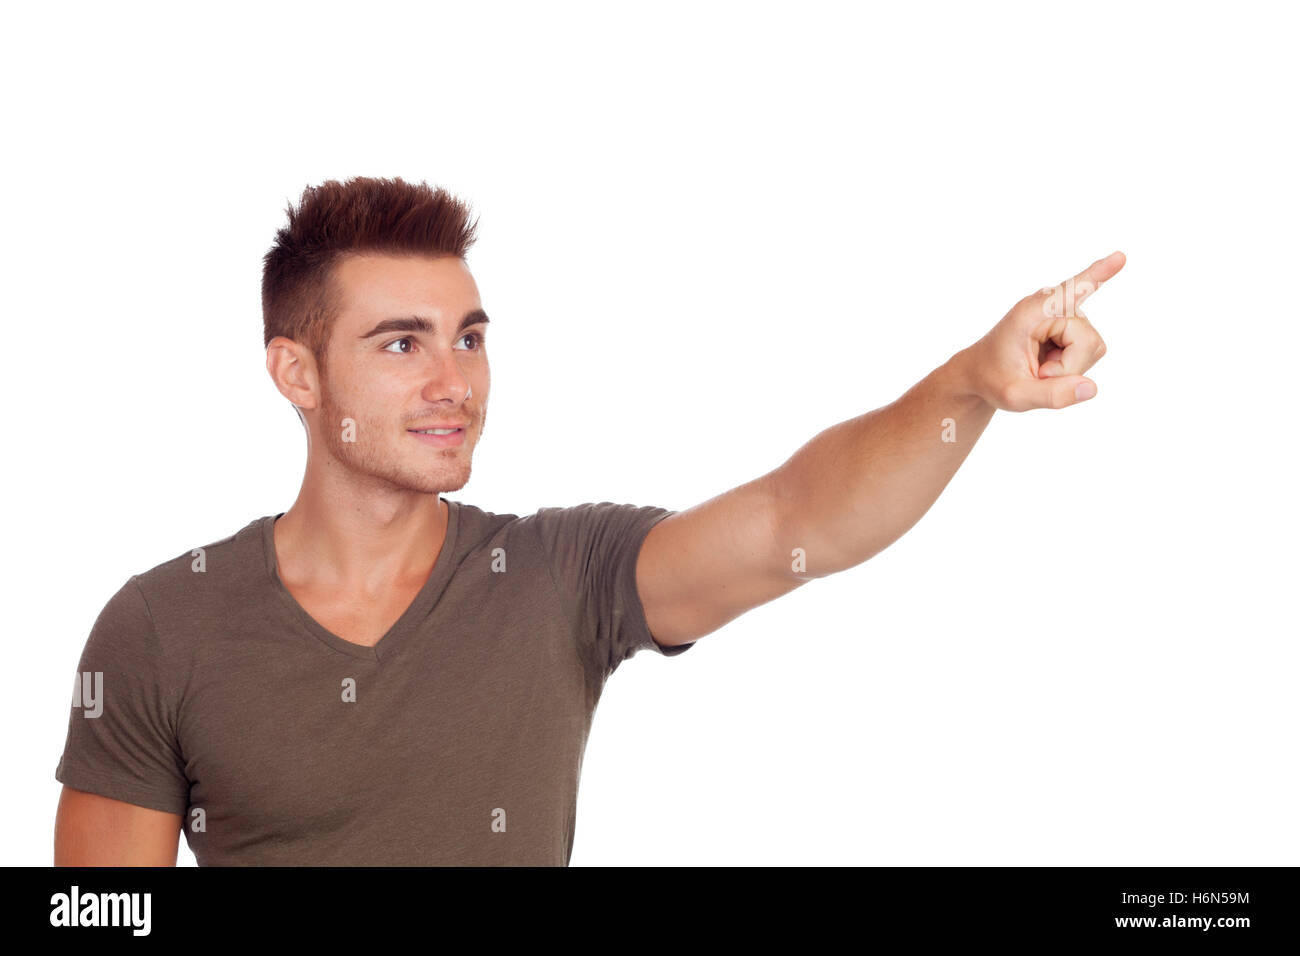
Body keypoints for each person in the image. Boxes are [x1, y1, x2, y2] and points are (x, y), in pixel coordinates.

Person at [53, 175, 1123, 865]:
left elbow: (800, 519)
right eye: (400, 343)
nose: (452, 380)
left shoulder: (558, 573)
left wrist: (968, 386)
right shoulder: (161, 626)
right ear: (294, 370)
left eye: (469, 337)